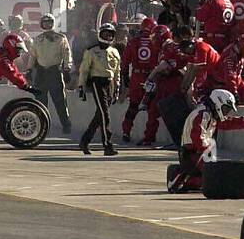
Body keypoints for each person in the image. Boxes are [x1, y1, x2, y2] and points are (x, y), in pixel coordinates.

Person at [170, 88, 244, 192]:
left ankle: (191, 179)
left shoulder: (212, 115)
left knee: (206, 180)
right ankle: (178, 179)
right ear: (218, 103)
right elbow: (197, 138)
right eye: (226, 109)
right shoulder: (202, 114)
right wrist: (210, 159)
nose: (226, 112)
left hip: (201, 153)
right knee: (214, 176)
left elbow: (229, 122)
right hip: (192, 154)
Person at [77, 23, 121, 157]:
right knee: (104, 114)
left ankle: (84, 141)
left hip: (109, 83)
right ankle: (107, 145)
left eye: (110, 34)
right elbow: (84, 70)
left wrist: (117, 87)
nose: (107, 36)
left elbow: (117, 70)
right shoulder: (91, 51)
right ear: (100, 35)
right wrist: (81, 86)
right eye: (105, 34)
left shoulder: (114, 51)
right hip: (97, 82)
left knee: (99, 116)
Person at [28, 13, 73, 135]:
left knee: (60, 101)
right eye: (45, 22)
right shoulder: (37, 39)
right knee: (40, 102)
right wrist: (29, 69)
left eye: (49, 22)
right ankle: (42, 127)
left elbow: (67, 55)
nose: (47, 24)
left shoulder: (60, 38)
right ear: (41, 24)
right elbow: (33, 56)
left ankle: (66, 125)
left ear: (53, 23)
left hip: (55, 71)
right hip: (41, 73)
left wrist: (67, 69)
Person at [120, 17, 162, 143]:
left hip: (136, 77)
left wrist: (125, 77)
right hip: (152, 77)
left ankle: (126, 132)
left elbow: (125, 62)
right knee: (152, 109)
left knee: (133, 106)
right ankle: (149, 136)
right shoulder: (156, 42)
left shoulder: (133, 42)